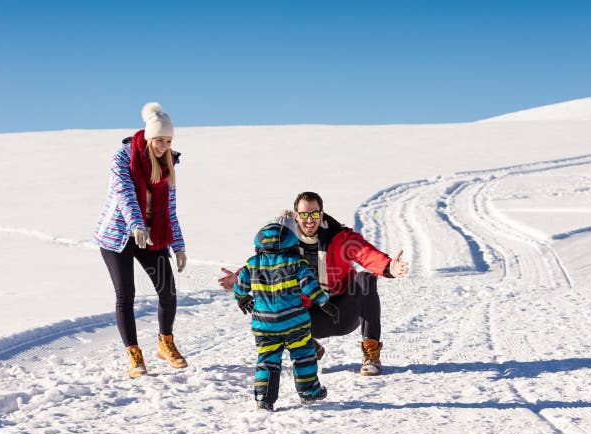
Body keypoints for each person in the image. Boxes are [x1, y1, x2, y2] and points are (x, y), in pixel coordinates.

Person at [220, 192, 409, 376]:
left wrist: (388, 266)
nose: (309, 219)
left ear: (322, 213)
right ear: (296, 216)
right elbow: (263, 264)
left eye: (314, 214)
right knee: (269, 307)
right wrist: (238, 281)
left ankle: (371, 354)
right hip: (307, 319)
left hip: (343, 313)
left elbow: (365, 253)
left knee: (364, 279)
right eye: (304, 214)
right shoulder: (283, 242)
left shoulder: (340, 237)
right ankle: (308, 347)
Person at [93, 102, 188, 378]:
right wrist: (136, 225)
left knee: (167, 290)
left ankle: (165, 343)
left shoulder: (168, 163)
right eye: (160, 140)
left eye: (168, 141)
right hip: (117, 237)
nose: (164, 146)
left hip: (152, 235)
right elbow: (124, 195)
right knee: (126, 294)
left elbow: (169, 210)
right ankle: (134, 354)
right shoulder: (122, 158)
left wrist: (179, 246)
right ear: (149, 137)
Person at [233, 220, 339, 411]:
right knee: (303, 354)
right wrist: (326, 305)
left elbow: (240, 286)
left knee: (267, 358)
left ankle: (263, 399)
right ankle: (309, 391)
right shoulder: (296, 263)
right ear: (292, 245)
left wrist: (242, 298)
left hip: (264, 326)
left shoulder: (252, 264)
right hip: (294, 323)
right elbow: (310, 286)